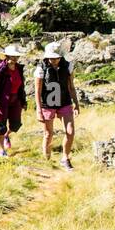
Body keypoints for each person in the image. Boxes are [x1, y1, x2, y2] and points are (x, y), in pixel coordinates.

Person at [36, 41, 79, 169]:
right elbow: (37, 91)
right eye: (51, 58)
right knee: (48, 134)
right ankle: (47, 160)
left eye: (56, 58)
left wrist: (76, 103)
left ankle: (65, 158)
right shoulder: (41, 68)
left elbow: (71, 86)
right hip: (47, 104)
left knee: (70, 131)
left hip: (64, 102)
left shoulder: (68, 66)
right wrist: (38, 110)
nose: (54, 60)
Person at [0, 45, 27, 157]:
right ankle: (1, 149)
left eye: (16, 56)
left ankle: (6, 136)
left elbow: (21, 86)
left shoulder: (19, 68)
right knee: (1, 127)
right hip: (1, 100)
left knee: (15, 125)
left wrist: (23, 101)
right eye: (12, 56)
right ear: (7, 56)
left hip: (15, 100)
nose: (14, 58)